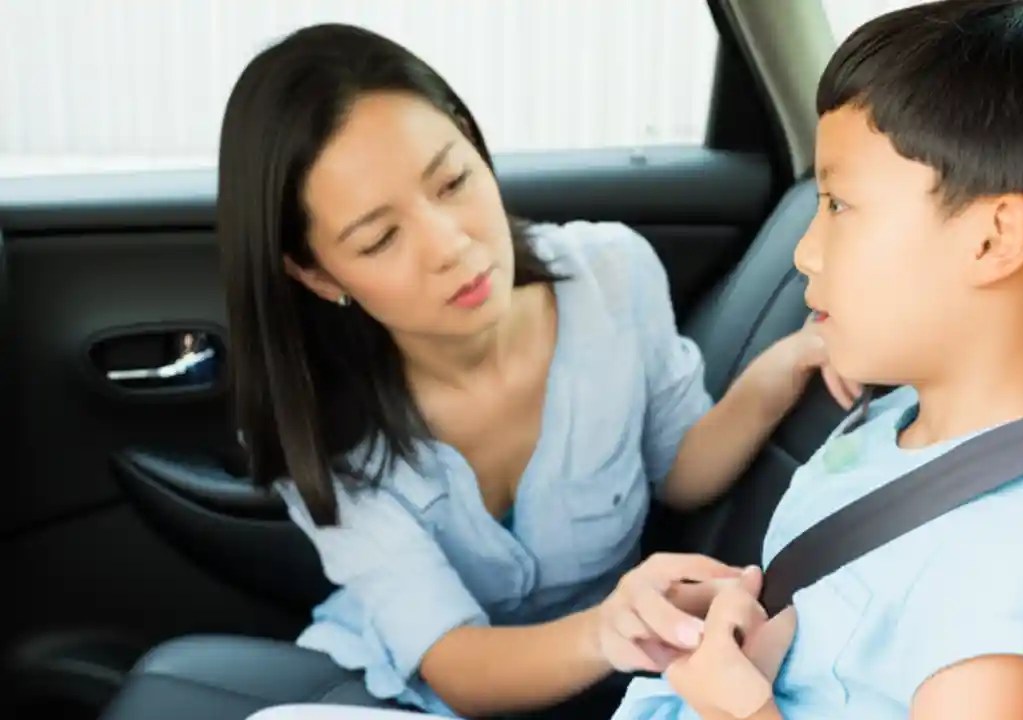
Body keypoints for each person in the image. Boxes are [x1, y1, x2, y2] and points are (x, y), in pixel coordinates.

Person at [216, 22, 858, 720]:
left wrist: (785, 366)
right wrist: (610, 629)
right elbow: (456, 664)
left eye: (454, 181)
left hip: (609, 685)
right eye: (380, 239)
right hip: (404, 697)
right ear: (315, 273)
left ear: (471, 137)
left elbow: (681, 467)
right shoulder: (316, 422)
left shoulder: (613, 274)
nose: (450, 244)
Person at [610, 0, 1023, 718]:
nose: (805, 249)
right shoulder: (891, 424)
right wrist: (713, 611)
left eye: (841, 206)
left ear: (991, 240)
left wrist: (738, 710)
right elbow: (834, 639)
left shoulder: (1021, 547)